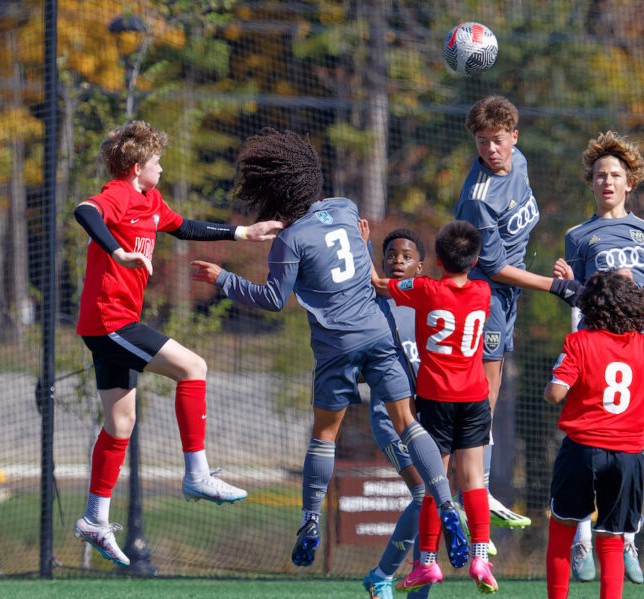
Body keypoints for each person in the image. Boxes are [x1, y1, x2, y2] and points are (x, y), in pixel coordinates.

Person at [190, 129, 467, 571]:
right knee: (408, 423)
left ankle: (310, 521)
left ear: (274, 193)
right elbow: (350, 237)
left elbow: (272, 300)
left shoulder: (289, 241)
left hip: (336, 345)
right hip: (378, 333)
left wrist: (222, 277)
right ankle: (447, 505)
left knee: (325, 435)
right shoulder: (345, 208)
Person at [72, 120, 282, 566]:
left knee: (120, 424)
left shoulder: (149, 200)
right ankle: (197, 475)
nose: (162, 167)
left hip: (113, 322)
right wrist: (118, 251)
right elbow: (85, 212)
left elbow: (184, 227)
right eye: (156, 161)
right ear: (135, 167)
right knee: (194, 367)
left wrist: (244, 233)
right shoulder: (118, 194)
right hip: (109, 322)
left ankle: (94, 518)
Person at [550, 130, 644, 584]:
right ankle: (582, 535)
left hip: (643, 353)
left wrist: (633, 291)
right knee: (587, 442)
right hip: (596, 357)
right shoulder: (578, 236)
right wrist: (571, 286)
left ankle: (625, 537)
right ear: (591, 182)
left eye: (616, 175)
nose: (607, 181)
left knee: (638, 447)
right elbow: (581, 300)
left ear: (629, 183)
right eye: (600, 174)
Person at [543, 269, 644, 599]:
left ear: (589, 307)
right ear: (633, 306)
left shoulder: (578, 342)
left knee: (561, 530)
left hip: (581, 450)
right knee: (612, 539)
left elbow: (555, 394)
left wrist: (557, 376)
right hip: (627, 455)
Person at [369, 221, 498, 594]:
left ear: (436, 260)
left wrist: (364, 246)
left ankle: (426, 563)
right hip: (475, 398)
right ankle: (480, 558)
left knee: (434, 483)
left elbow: (381, 286)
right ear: (473, 261)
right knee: (473, 481)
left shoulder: (425, 289)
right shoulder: (484, 292)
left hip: (437, 399)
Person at [454, 95, 558, 529]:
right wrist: (557, 286)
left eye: (497, 140)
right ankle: (472, 490)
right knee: (487, 391)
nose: (491, 150)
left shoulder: (523, 163)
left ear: (514, 137)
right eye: (482, 142)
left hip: (507, 296)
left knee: (488, 393)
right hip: (484, 294)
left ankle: (468, 487)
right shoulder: (478, 198)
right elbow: (494, 267)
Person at [360, 227, 431, 599]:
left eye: (406, 257)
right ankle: (382, 574)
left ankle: (417, 591)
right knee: (424, 494)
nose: (398, 261)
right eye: (391, 255)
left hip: (427, 421)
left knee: (432, 501)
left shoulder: (426, 304)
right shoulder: (369, 306)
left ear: (420, 267)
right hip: (390, 420)